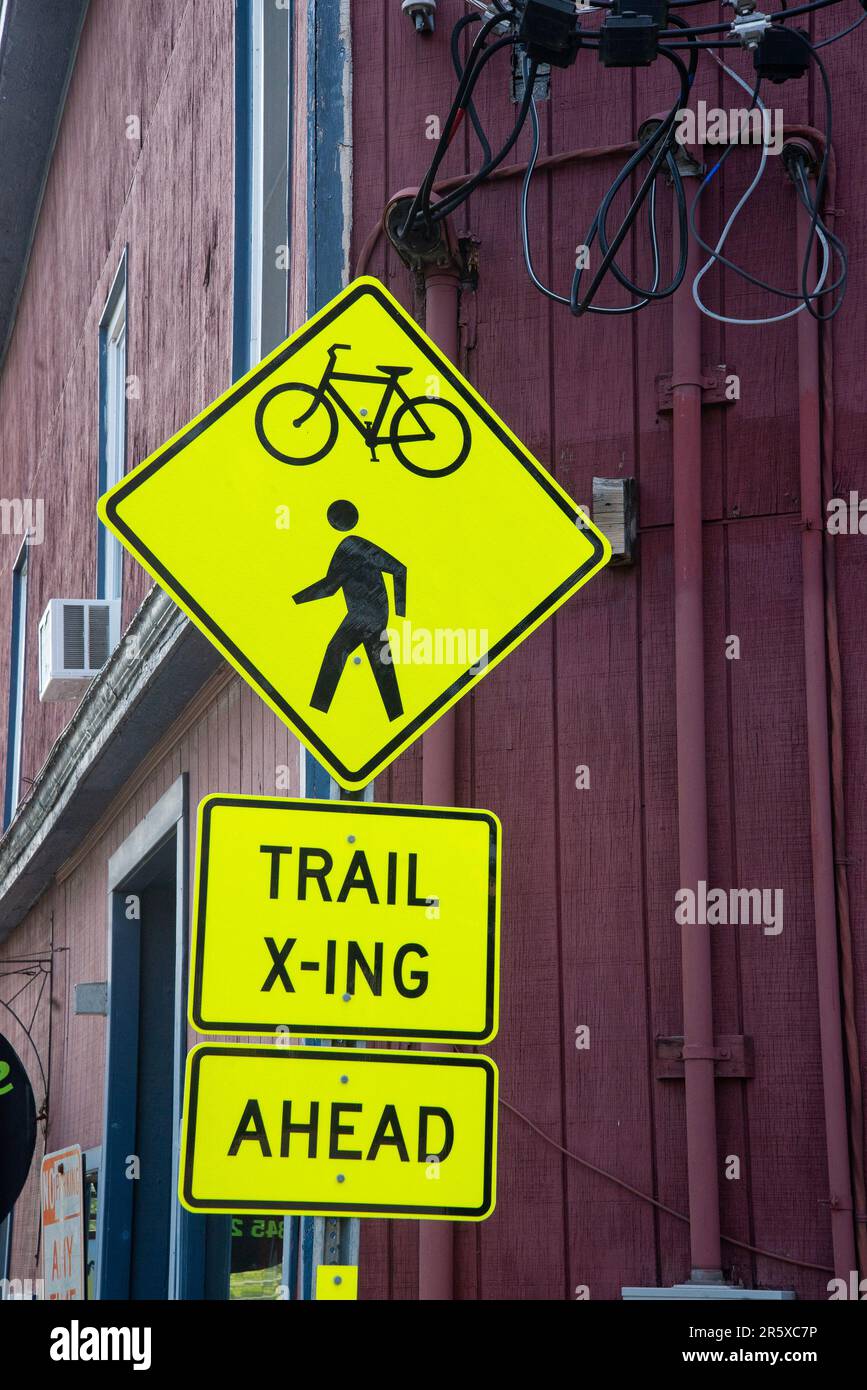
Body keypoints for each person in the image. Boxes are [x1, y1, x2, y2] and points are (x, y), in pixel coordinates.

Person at [293, 499, 406, 720]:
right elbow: (330, 587)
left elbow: (399, 569)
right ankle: (396, 715)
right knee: (381, 665)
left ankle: (318, 710)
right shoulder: (345, 549)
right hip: (363, 614)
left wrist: (401, 612)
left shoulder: (355, 546)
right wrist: (295, 600)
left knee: (336, 652)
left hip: (369, 615)